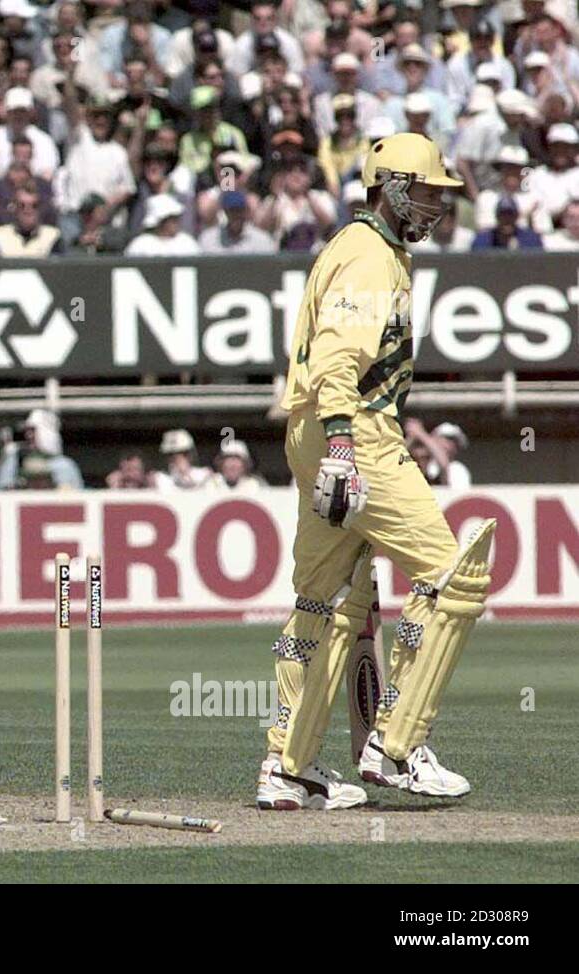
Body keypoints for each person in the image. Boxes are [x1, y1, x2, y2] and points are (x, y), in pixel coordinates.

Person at [257, 133, 491, 813]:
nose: (433, 205)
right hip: (352, 428)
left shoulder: (364, 250)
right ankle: (396, 744)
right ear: (388, 185)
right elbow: (337, 356)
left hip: (320, 429)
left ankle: (287, 765)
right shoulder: (367, 257)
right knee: (454, 578)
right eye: (424, 190)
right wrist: (340, 442)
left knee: (323, 601)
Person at [0, 409, 83, 490]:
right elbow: (1, 492)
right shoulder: (15, 460)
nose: (28, 436)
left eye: (32, 431)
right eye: (27, 431)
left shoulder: (65, 466)